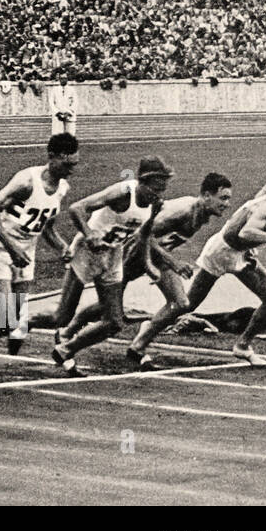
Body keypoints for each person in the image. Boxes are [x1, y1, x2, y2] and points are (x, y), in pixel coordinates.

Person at [0, 135, 80, 379]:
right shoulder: (27, 181)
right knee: (7, 318)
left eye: (73, 165)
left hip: (24, 254)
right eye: (67, 164)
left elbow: (47, 226)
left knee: (11, 322)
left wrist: (63, 247)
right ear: (52, 158)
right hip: (0, 250)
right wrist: (12, 248)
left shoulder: (62, 188)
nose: (70, 170)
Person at [41, 157, 175, 377]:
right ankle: (5, 321)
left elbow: (144, 234)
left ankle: (65, 350)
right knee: (60, 317)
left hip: (112, 255)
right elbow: (77, 208)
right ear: (142, 181)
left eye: (162, 190)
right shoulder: (122, 193)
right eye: (155, 189)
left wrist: (149, 263)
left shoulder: (154, 204)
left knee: (114, 322)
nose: (158, 194)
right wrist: (89, 234)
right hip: (88, 253)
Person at [158, 180, 266, 368]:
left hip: (241, 255)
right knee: (188, 304)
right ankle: (151, 327)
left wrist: (251, 209)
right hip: (221, 252)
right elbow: (245, 233)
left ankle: (243, 346)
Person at [87, 173, 233, 369]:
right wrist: (173, 262)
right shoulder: (183, 210)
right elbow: (142, 234)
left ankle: (137, 347)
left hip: (157, 259)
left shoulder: (202, 214)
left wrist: (165, 261)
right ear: (207, 195)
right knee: (109, 308)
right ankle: (66, 328)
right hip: (132, 254)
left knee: (180, 303)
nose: (227, 204)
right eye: (223, 198)